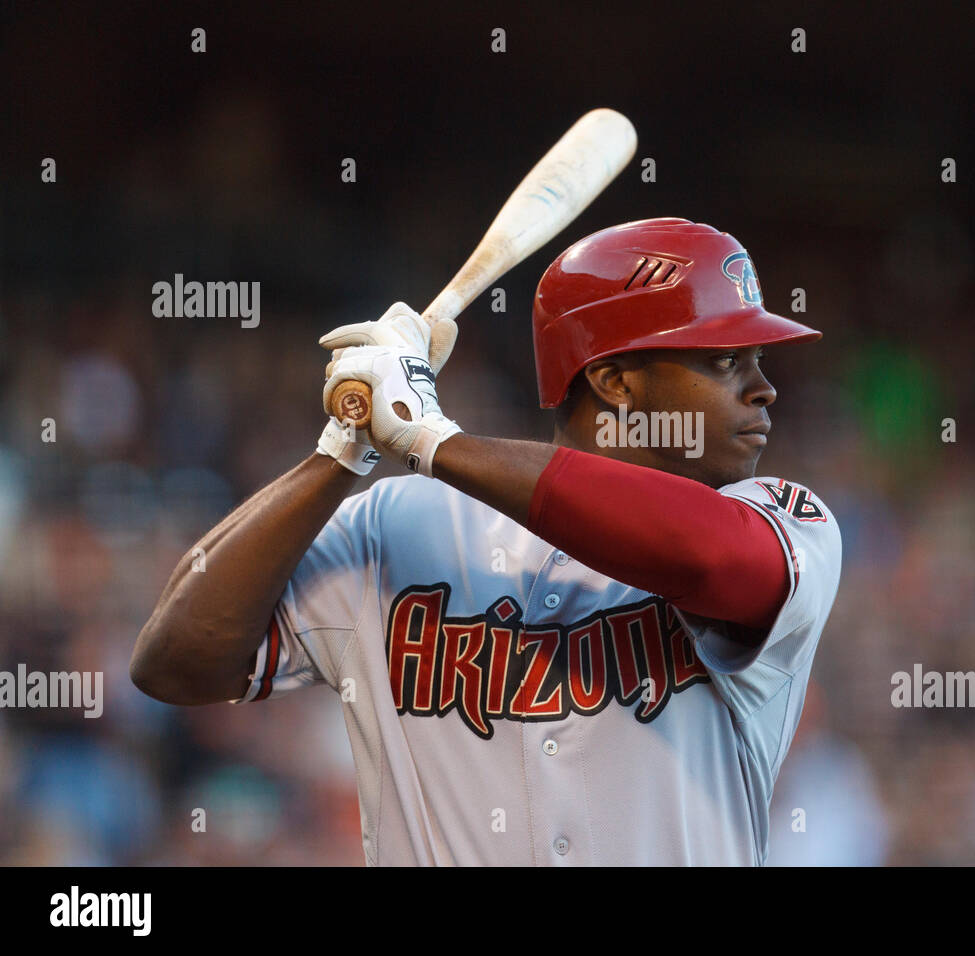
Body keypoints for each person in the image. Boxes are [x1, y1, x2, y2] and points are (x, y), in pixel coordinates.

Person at [131, 217, 843, 865]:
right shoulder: (396, 524)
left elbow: (711, 556)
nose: (764, 389)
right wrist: (342, 446)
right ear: (615, 380)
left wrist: (433, 439)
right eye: (726, 361)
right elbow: (177, 663)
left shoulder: (785, 519)